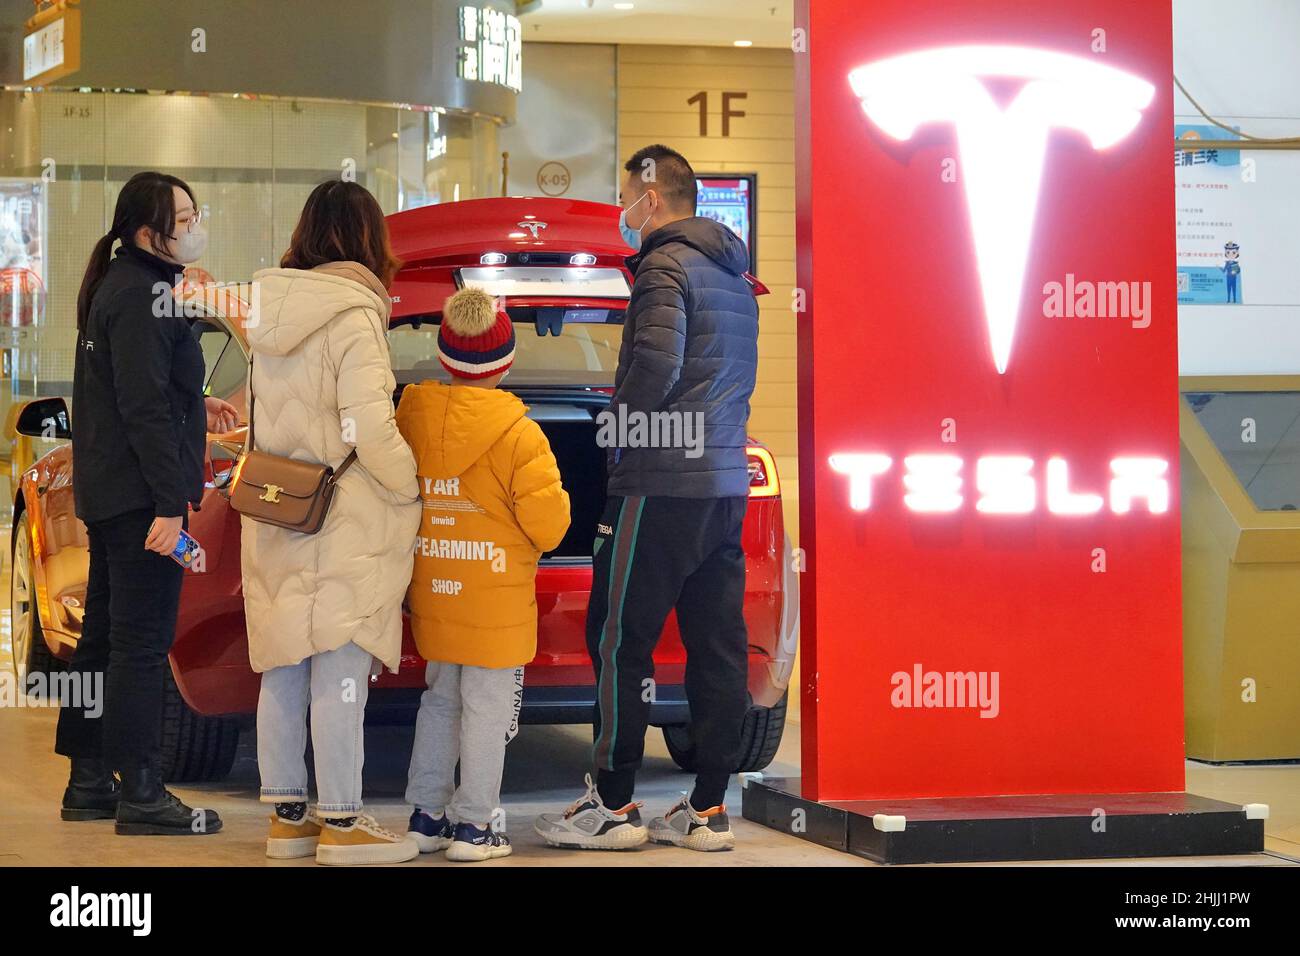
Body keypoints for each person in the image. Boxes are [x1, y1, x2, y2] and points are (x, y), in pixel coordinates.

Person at [534, 144, 758, 852]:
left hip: (659, 485)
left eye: (626, 195)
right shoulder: (733, 275)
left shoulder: (663, 266)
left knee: (620, 638)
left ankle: (614, 802)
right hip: (722, 485)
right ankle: (709, 808)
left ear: (652, 198)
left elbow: (654, 367)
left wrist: (617, 434)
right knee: (715, 646)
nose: (623, 210)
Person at [240, 180, 421, 866]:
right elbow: (369, 426)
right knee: (339, 664)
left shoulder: (270, 314)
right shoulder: (354, 315)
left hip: (277, 505)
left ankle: (289, 821)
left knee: (285, 659)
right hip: (341, 513)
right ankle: (343, 824)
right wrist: (408, 489)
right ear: (370, 239)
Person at [56, 171, 235, 836]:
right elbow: (140, 409)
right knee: (138, 646)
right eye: (182, 217)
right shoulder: (140, 295)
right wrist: (168, 504)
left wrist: (199, 406)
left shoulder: (128, 284)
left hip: (112, 493)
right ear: (145, 228)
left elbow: (150, 391)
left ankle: (88, 781)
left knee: (101, 642)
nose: (193, 225)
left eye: (193, 213)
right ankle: (144, 793)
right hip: (140, 501)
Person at [399, 287, 570, 862]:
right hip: (496, 605)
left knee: (440, 700)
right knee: (486, 709)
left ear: (445, 357)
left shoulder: (412, 419)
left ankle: (425, 816)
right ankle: (474, 827)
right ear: (507, 361)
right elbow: (549, 528)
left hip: (436, 592)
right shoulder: (522, 435)